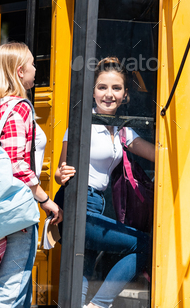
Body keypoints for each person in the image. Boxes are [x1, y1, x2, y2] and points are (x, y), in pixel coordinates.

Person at [55, 57, 155, 308]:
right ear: (92, 91)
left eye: (116, 88)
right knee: (144, 245)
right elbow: (60, 170)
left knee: (85, 270)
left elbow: (158, 155)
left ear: (125, 95)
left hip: (96, 205)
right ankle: (100, 304)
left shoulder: (122, 131)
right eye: (102, 87)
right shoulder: (81, 125)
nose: (108, 94)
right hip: (78, 203)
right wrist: (61, 175)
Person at [0, 42, 61, 308]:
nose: (36, 68)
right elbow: (17, 165)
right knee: (10, 294)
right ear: (20, 72)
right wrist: (46, 201)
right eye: (32, 64)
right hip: (15, 212)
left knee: (21, 296)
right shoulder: (20, 108)